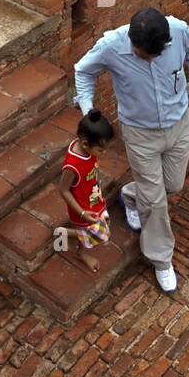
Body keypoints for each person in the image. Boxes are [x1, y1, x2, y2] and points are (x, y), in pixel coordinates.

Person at [73, 8, 189, 294]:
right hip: (140, 134)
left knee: (173, 185)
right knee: (155, 201)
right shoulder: (111, 46)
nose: (148, 59)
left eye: (154, 55)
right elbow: (83, 70)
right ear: (132, 42)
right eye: (142, 54)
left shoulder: (178, 31)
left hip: (179, 124)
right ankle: (162, 260)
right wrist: (88, 110)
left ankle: (130, 196)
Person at [56, 108, 115, 273]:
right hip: (82, 209)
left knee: (102, 226)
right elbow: (63, 190)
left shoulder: (86, 149)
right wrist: (82, 213)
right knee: (98, 234)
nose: (103, 153)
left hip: (94, 198)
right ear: (84, 144)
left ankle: (73, 235)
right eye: (101, 150)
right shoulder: (72, 166)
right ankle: (79, 250)